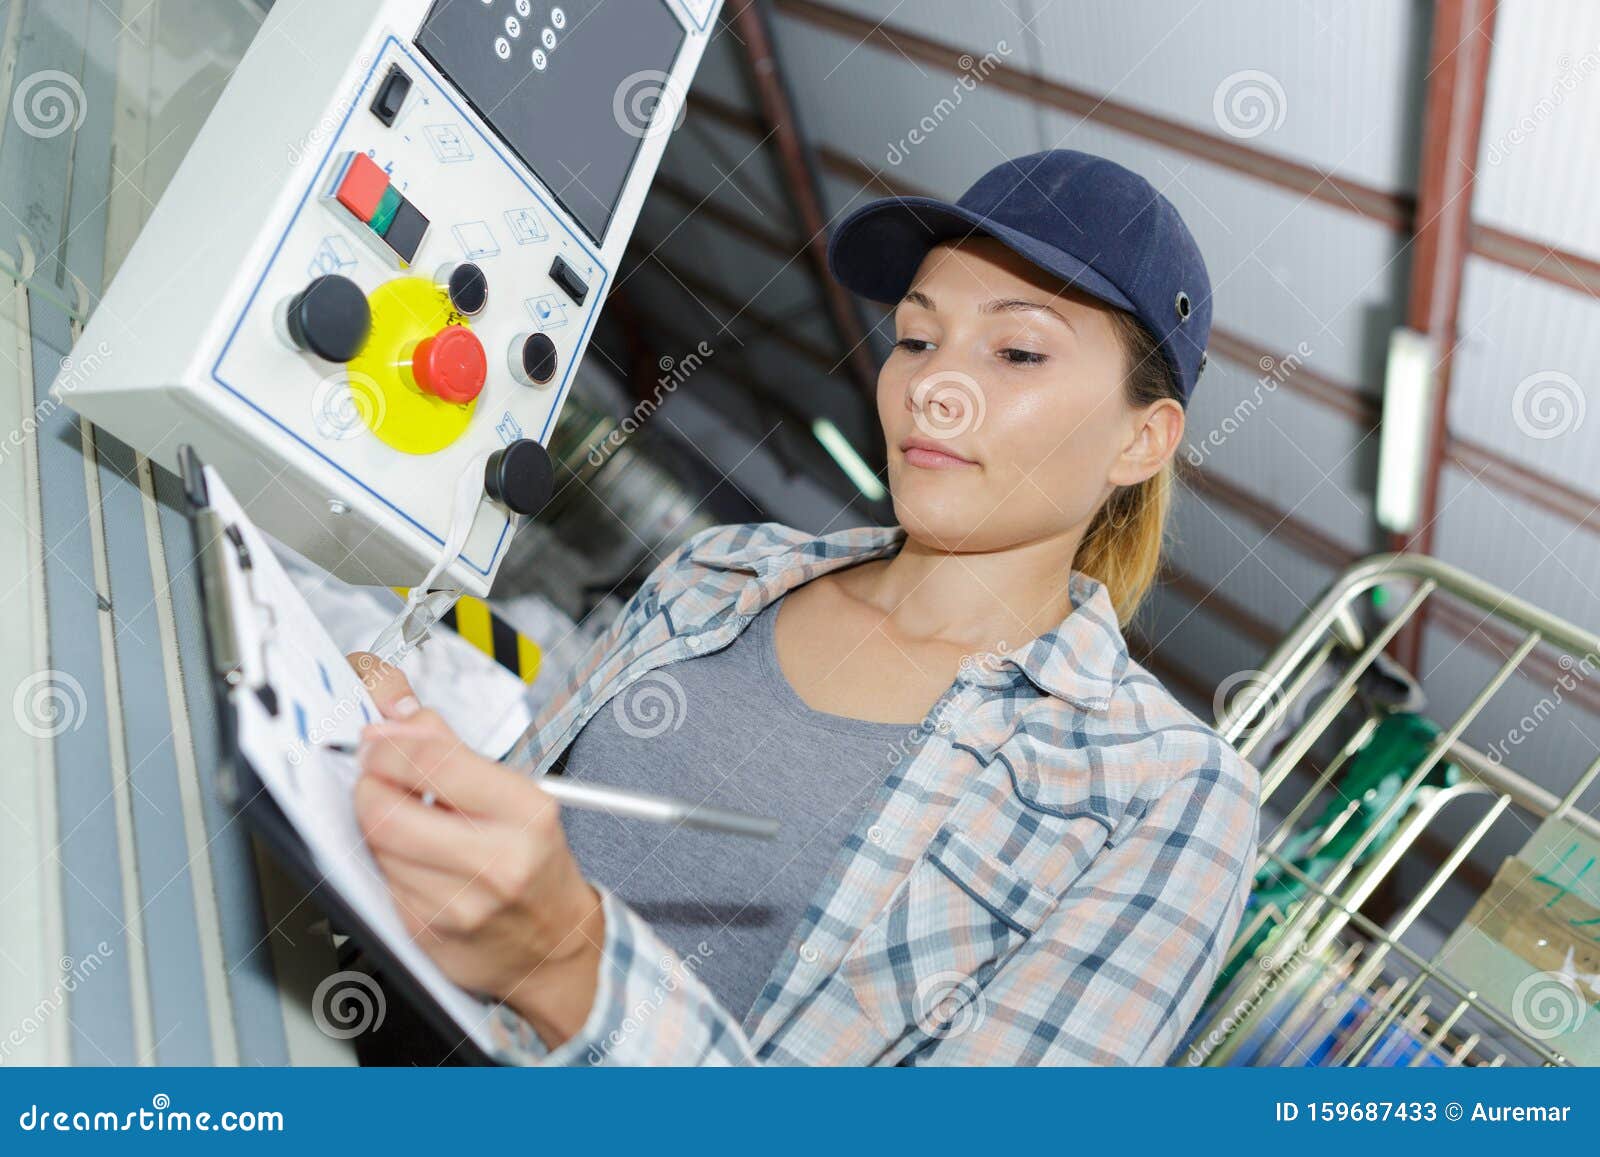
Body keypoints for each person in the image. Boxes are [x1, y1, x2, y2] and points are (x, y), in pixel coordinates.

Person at [348, 149, 1261, 1066]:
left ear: (1143, 438)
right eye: (915, 337)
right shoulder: (720, 572)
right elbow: (521, 835)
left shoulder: (1163, 790)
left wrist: (568, 972)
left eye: (1017, 351)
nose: (935, 388)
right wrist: (401, 759)